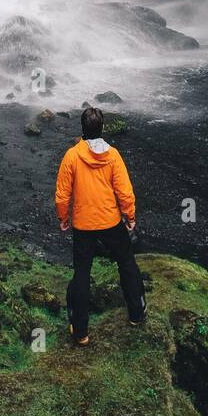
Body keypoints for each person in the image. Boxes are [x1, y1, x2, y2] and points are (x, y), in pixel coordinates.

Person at [54, 106, 146, 346]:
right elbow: (124, 190)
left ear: (82, 129)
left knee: (82, 274)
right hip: (110, 221)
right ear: (102, 127)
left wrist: (63, 218)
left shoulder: (72, 156)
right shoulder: (113, 155)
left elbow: (62, 195)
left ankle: (81, 332)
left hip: (84, 224)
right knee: (127, 264)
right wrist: (130, 216)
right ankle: (137, 313)